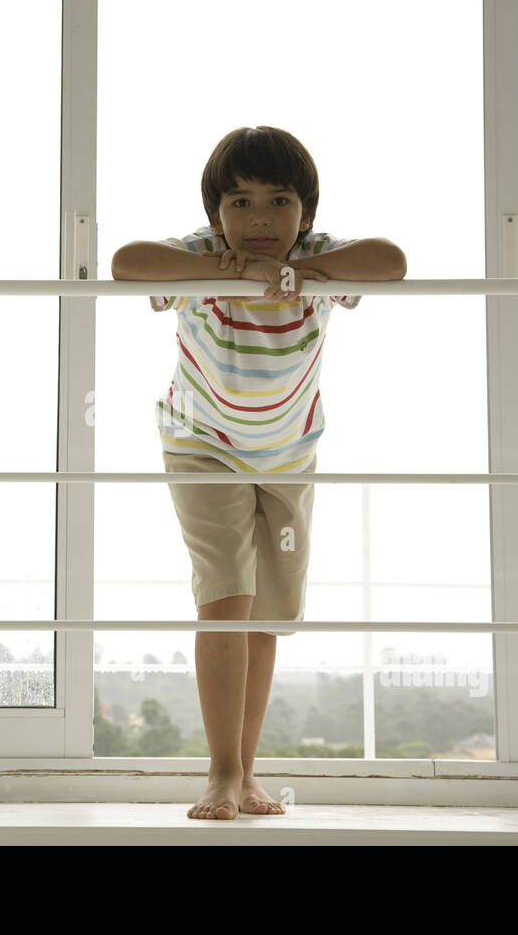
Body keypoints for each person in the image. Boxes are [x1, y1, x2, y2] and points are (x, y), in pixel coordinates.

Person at [111, 125, 407, 820]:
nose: (261, 220)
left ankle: (247, 773)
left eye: (279, 201)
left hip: (288, 454)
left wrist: (303, 276)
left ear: (306, 210)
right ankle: (219, 773)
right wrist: (233, 272)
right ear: (215, 213)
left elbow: (392, 261)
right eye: (240, 203)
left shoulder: (314, 259)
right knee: (226, 602)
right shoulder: (205, 257)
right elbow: (127, 262)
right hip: (201, 445)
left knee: (268, 615)